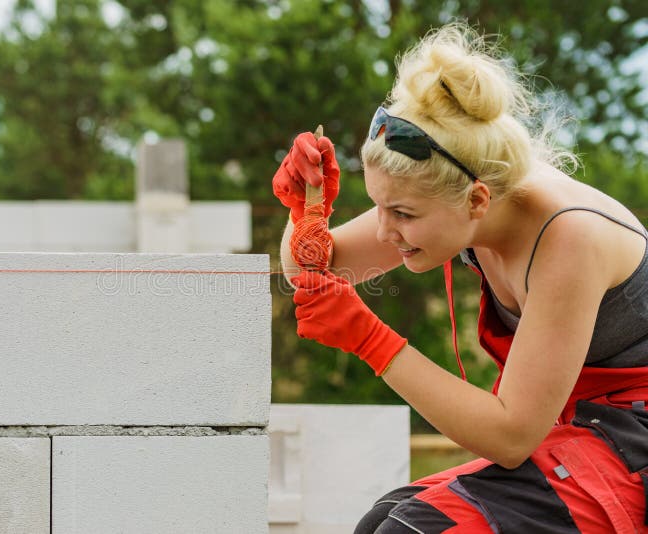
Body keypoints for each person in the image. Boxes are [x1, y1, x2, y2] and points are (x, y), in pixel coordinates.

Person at [273, 23, 648, 533]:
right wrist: (305, 212)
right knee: (381, 522)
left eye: (401, 213)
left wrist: (369, 339)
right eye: (379, 206)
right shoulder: (451, 191)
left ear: (477, 200)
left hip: (634, 441)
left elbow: (511, 436)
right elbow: (312, 271)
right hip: (587, 430)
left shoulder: (570, 237)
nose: (386, 230)